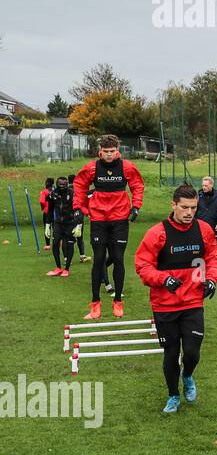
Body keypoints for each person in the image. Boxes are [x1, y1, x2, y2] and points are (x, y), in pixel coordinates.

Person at [134, 183, 217, 413]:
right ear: (173, 205)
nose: (189, 212)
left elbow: (212, 256)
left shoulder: (204, 230)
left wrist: (211, 279)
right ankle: (173, 395)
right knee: (171, 354)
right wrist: (163, 279)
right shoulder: (157, 233)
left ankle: (188, 375)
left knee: (192, 352)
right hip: (165, 306)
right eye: (184, 207)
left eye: (193, 207)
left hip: (193, 302)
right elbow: (142, 266)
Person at [73, 133, 145, 319]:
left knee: (118, 259)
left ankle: (118, 301)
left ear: (117, 151)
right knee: (98, 259)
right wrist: (80, 207)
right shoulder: (92, 167)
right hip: (98, 219)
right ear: (100, 152)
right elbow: (80, 185)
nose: (109, 155)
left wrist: (136, 206)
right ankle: (95, 304)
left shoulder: (127, 167)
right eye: (105, 151)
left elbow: (137, 185)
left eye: (112, 151)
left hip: (120, 219)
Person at [46, 175, 78, 278]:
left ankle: (67, 269)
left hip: (70, 223)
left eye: (64, 185)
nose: (62, 186)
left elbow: (78, 208)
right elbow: (50, 210)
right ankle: (58, 267)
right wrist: (47, 224)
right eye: (60, 185)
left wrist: (78, 224)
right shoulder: (53, 194)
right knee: (55, 243)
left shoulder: (72, 193)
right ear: (56, 184)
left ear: (67, 184)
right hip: (58, 223)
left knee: (69, 245)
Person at [71, 173, 88, 262]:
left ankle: (67, 258)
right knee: (78, 237)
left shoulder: (65, 190)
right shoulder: (77, 190)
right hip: (77, 214)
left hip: (69, 214)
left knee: (70, 238)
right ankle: (82, 256)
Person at [39, 177, 53, 251]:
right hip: (55, 212)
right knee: (56, 227)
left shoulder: (44, 192)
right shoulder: (55, 191)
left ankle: (48, 244)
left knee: (47, 228)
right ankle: (57, 241)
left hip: (47, 212)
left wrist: (42, 208)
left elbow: (42, 201)